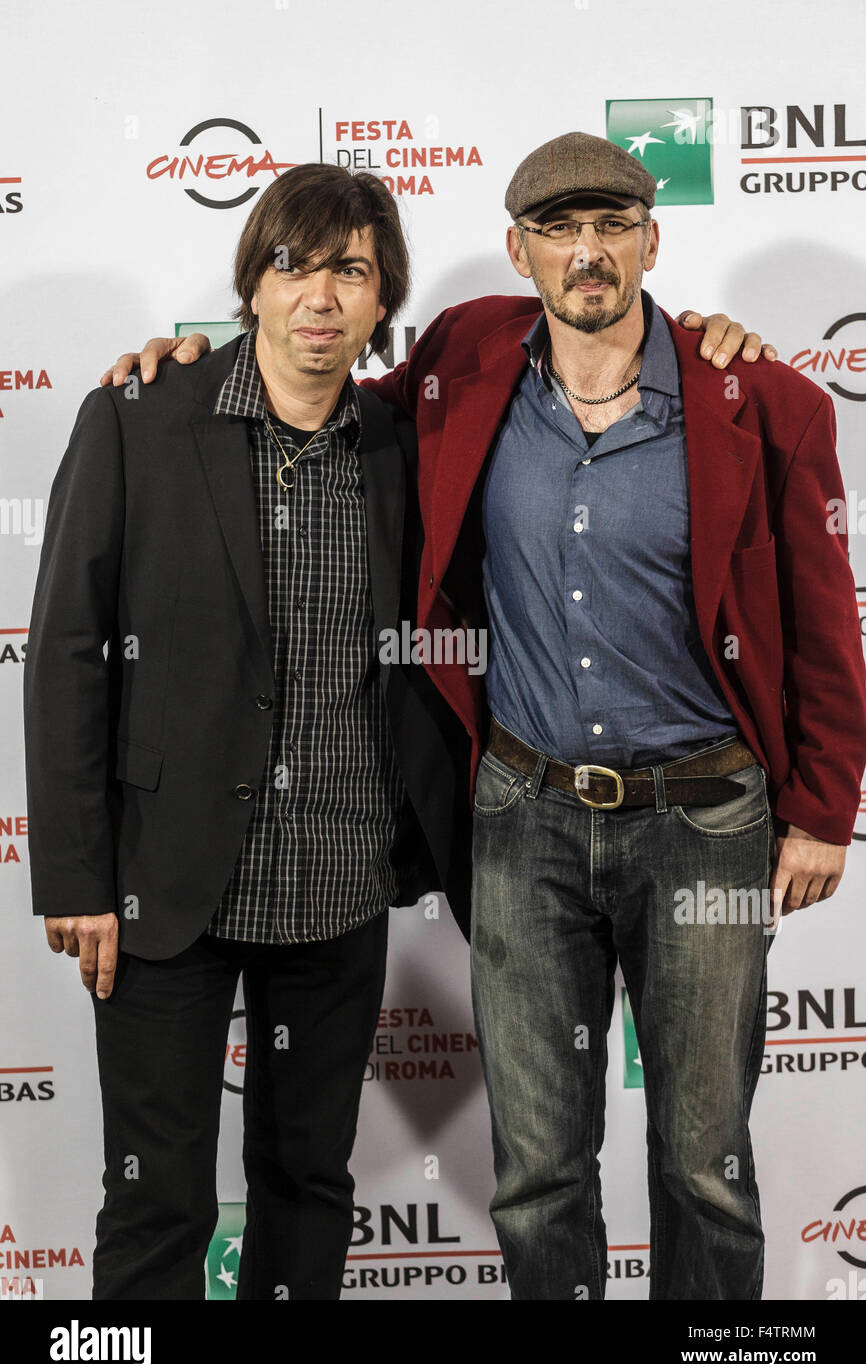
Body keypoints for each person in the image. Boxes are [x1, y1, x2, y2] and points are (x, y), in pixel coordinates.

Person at [99, 142, 786, 1302]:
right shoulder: (461, 358)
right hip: (519, 817)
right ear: (517, 249)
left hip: (703, 819)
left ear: (650, 242)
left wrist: (819, 809)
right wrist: (183, 371)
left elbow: (816, 617)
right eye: (557, 230)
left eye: (611, 226)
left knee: (704, 1167)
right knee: (534, 1172)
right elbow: (312, 393)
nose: (587, 251)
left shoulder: (741, 394)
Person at [23, 163, 471, 1301]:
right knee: (156, 1194)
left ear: (382, 304)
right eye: (295, 265)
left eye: (351, 272)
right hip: (164, 889)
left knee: (307, 1178)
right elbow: (69, 648)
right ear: (254, 284)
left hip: (334, 881)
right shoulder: (139, 416)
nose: (320, 295)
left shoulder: (400, 447)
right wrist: (74, 875)